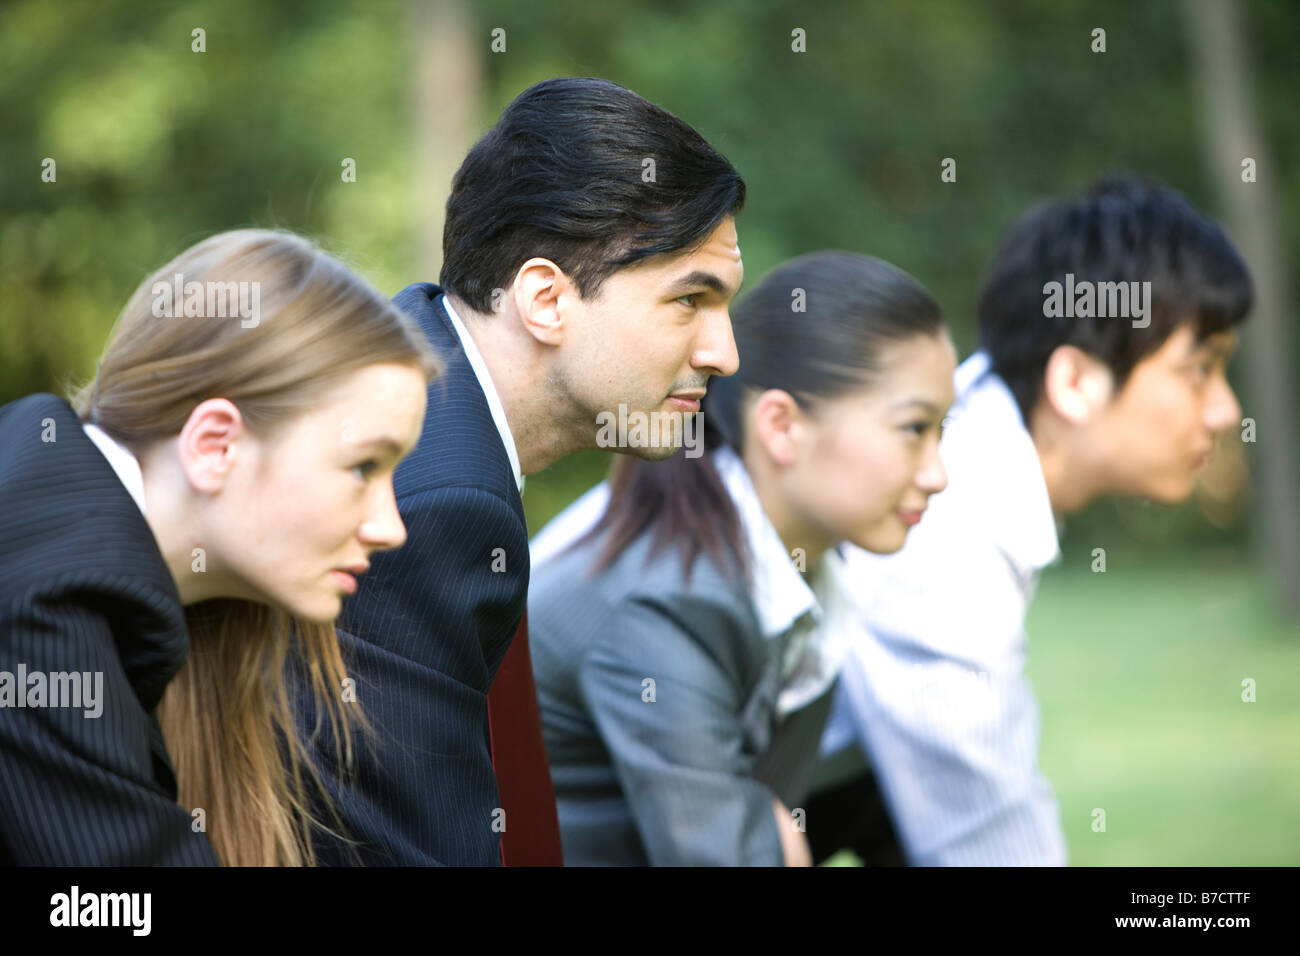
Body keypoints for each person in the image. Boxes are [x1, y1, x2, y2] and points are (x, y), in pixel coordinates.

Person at [308, 76, 746, 865]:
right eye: (689, 301)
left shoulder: (423, 385)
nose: (725, 353)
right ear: (545, 298)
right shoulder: (440, 498)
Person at [809, 173, 1254, 866]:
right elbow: (987, 837)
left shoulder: (968, 444)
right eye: (1200, 369)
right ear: (1074, 382)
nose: (1225, 410)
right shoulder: (945, 512)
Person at [0, 229, 439, 866]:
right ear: (214, 446)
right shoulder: (41, 604)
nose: (390, 527)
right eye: (362, 467)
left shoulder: (62, 529)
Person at [526, 250, 956, 865]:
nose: (938, 474)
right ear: (780, 425)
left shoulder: (796, 569)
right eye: (914, 428)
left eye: (944, 429)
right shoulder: (667, 593)